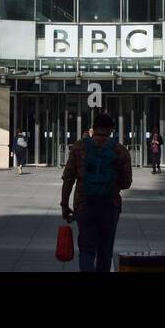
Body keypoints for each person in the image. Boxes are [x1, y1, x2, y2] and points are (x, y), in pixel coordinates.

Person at [60, 113, 133, 272]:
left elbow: (68, 179)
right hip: (110, 205)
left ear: (93, 128)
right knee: (105, 250)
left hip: (84, 204)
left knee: (87, 250)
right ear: (111, 129)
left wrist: (64, 205)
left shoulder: (79, 147)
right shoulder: (119, 149)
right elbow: (126, 183)